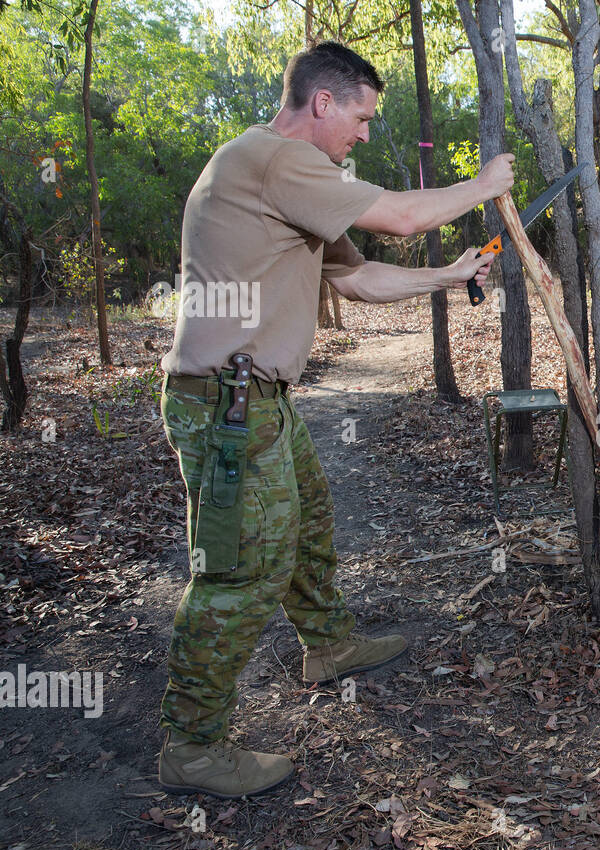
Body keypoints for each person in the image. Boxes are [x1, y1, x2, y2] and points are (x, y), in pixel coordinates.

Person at [157, 41, 516, 797]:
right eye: (360, 116)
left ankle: (327, 645)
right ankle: (190, 746)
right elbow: (404, 217)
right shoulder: (273, 160)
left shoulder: (289, 181)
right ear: (323, 102)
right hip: (227, 409)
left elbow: (356, 278)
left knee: (310, 521)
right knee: (241, 572)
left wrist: (449, 276)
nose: (361, 133)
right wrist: (482, 184)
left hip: (259, 400)